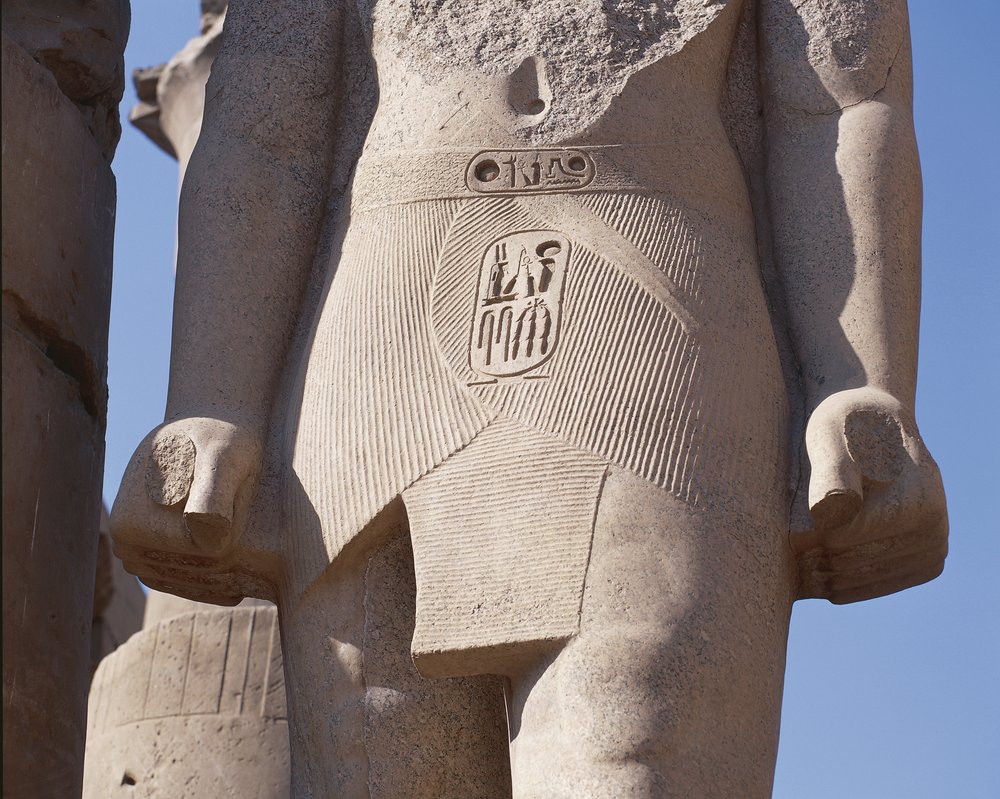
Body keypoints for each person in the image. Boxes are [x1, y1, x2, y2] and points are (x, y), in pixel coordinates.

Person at [112, 0, 948, 795]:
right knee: (376, 744)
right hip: (380, 318)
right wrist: (215, 393)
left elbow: (838, 106)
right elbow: (266, 132)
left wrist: (859, 378)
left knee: (635, 727)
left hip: (655, 310)